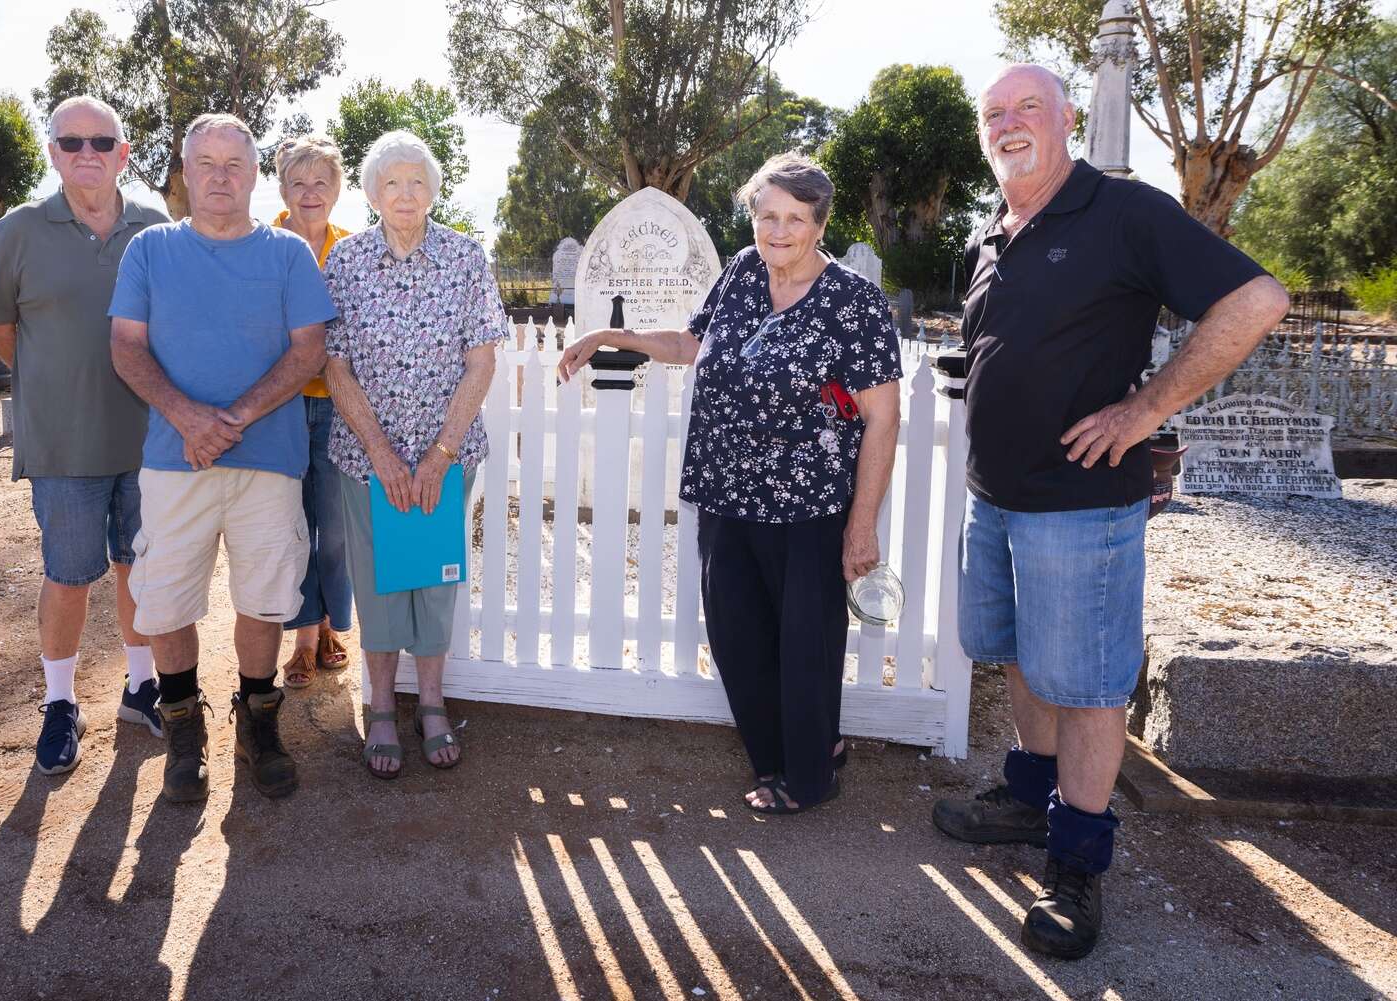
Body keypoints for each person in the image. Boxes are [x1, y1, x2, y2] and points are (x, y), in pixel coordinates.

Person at [930, 64, 1289, 959]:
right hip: (994, 495)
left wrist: (1145, 409)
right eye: (994, 113)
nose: (1009, 123)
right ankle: (1030, 794)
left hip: (1082, 506)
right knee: (1018, 652)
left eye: (1029, 107)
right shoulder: (992, 231)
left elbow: (1257, 300)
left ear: (1066, 120)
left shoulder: (1124, 211)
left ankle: (1076, 864)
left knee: (1088, 686)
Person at [559, 152, 901, 816]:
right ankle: (780, 759)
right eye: (767, 216)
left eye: (794, 218)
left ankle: (810, 776)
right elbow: (692, 343)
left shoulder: (852, 301)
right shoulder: (743, 272)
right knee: (739, 638)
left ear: (820, 224)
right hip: (725, 496)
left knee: (805, 646)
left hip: (808, 508)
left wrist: (861, 525)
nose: (778, 231)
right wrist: (610, 334)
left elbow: (882, 417)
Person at [108, 113, 338, 802]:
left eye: (234, 164)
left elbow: (309, 350)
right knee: (167, 599)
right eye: (205, 163)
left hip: (268, 460)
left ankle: (258, 724)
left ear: (254, 174)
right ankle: (184, 731)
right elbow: (126, 346)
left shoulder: (288, 255)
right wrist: (187, 417)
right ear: (184, 171)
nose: (219, 177)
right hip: (174, 460)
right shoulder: (150, 250)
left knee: (265, 597)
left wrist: (230, 420)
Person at [0, 95, 171, 776]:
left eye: (101, 141)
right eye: (71, 142)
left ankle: (141, 687)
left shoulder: (155, 228)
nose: (87, 153)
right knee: (67, 576)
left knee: (141, 568)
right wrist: (54, 385)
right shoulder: (18, 231)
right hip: (63, 445)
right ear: (52, 152)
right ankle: (60, 703)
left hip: (148, 439)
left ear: (123, 153)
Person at [323, 129, 501, 779]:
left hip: (446, 456)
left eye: (417, 181)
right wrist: (382, 453)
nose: (405, 193)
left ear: (433, 191)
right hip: (366, 459)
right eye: (392, 182)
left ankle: (430, 702)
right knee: (377, 581)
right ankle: (379, 706)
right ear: (373, 193)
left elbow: (481, 360)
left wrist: (438, 455)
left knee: (433, 576)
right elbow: (334, 365)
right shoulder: (346, 262)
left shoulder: (465, 258)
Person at [270, 135, 356, 689]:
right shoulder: (263, 244)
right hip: (280, 405)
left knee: (337, 526)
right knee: (292, 523)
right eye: (298, 182)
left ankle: (331, 626)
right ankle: (304, 637)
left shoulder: (352, 249)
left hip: (339, 406)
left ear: (337, 189)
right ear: (283, 189)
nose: (309, 192)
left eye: (320, 182)